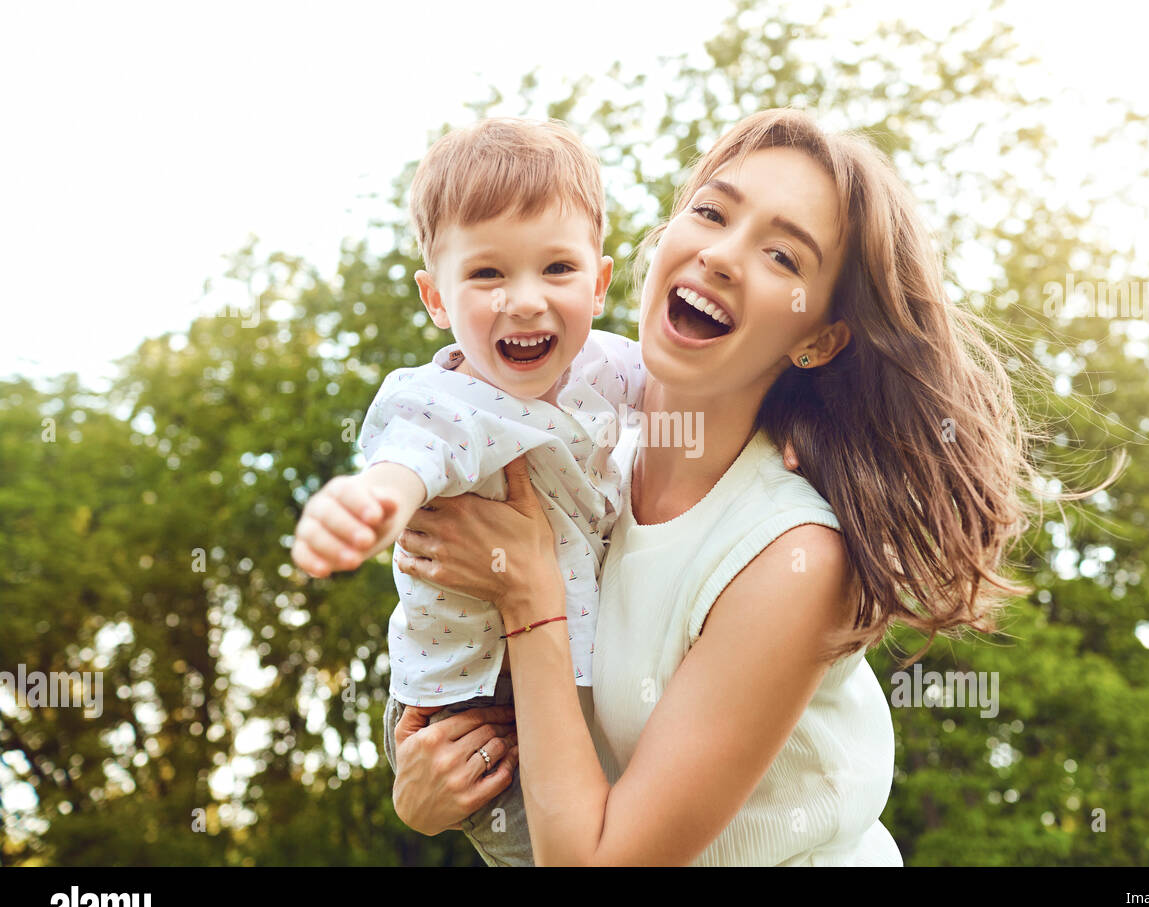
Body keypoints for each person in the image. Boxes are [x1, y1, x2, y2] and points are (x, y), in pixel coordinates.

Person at [387, 108, 1106, 865]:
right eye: (711, 213)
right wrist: (428, 788)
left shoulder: (792, 555)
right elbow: (458, 657)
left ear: (817, 339)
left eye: (783, 256)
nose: (723, 256)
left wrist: (531, 596)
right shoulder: (580, 442)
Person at [290, 117, 645, 866]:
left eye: (557, 268)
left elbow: (705, 390)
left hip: (564, 676)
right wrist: (366, 509)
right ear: (437, 299)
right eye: (487, 275)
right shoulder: (442, 400)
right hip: (464, 704)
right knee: (553, 848)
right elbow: (404, 467)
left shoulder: (610, 368)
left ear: (599, 283)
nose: (526, 300)